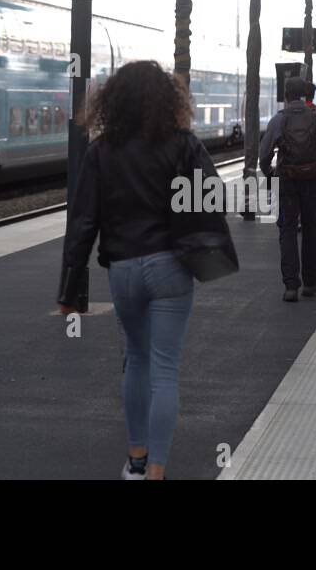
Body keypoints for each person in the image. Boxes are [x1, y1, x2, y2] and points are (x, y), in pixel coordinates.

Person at [59, 60, 209, 481]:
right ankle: (157, 470)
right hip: (170, 266)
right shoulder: (184, 145)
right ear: (168, 100)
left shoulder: (101, 151)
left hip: (123, 268)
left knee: (136, 359)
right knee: (165, 366)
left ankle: (137, 461)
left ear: (114, 101)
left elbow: (83, 221)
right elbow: (208, 198)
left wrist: (70, 287)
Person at [260, 77, 316, 302]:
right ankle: (311, 283)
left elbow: (264, 152)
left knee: (287, 229)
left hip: (287, 181)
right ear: (305, 95)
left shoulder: (278, 120)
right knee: (310, 228)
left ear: (286, 96)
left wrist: (268, 172)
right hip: (312, 181)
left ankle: (291, 286)